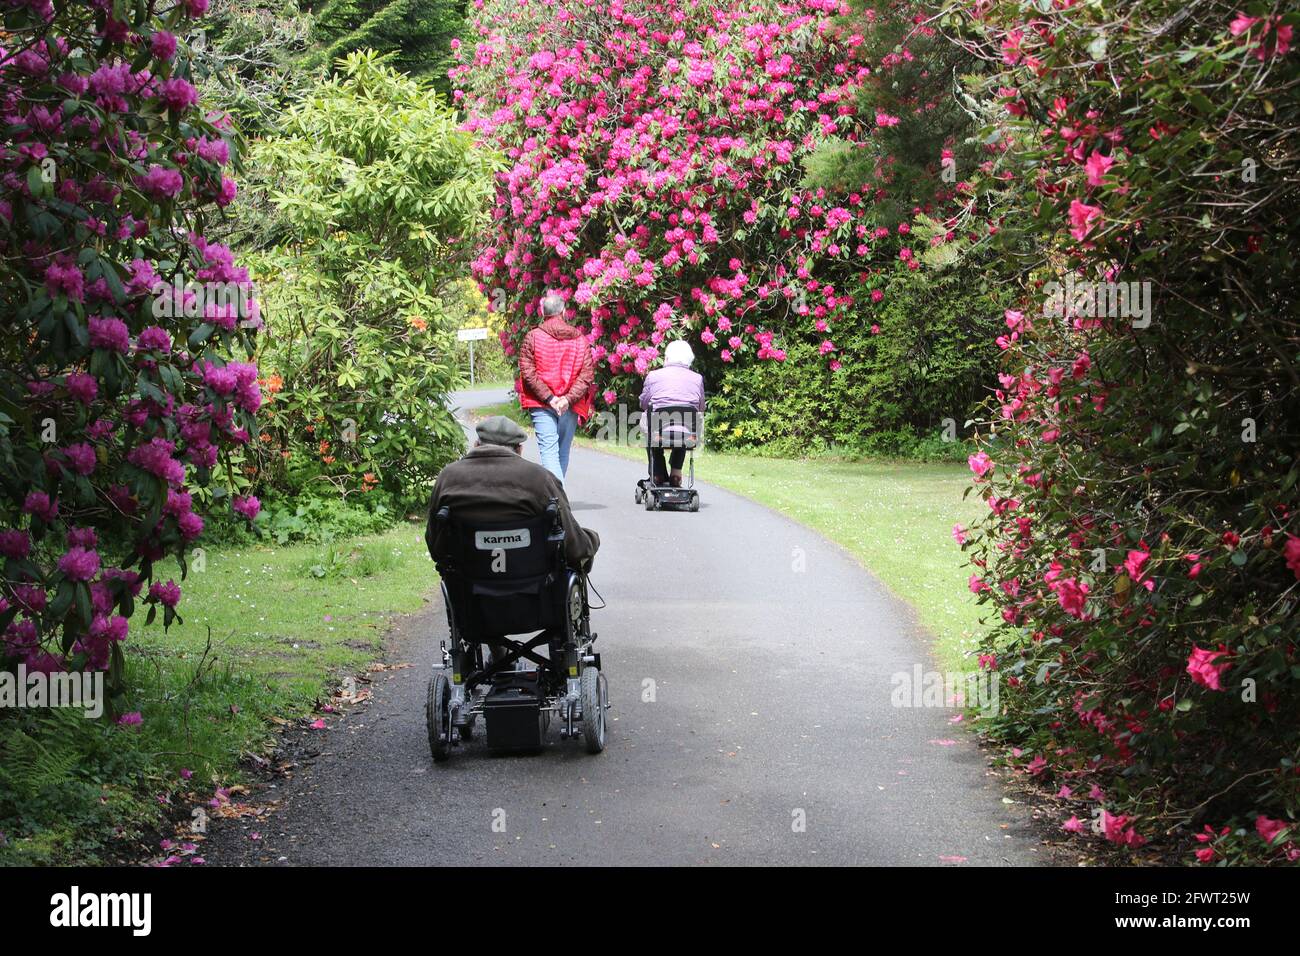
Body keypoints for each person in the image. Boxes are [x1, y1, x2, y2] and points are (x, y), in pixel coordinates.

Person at [425, 415, 600, 572]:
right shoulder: (541, 479)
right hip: (534, 591)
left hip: (468, 589)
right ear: (519, 450)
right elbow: (574, 546)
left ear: (476, 445)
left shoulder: (448, 477)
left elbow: (435, 544)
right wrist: (592, 539)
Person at [517, 292, 594, 485]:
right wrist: (566, 399)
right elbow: (586, 375)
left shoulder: (532, 337)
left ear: (544, 313)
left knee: (549, 453)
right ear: (563, 312)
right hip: (570, 404)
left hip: (542, 403)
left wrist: (550, 398)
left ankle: (556, 500)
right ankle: (558, 499)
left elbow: (528, 372)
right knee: (562, 452)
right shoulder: (580, 340)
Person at [639, 340, 705, 487]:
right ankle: (676, 471)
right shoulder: (697, 378)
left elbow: (643, 403)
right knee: (684, 426)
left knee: (649, 423)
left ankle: (657, 473)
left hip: (659, 431)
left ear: (667, 358)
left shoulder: (653, 376)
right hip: (688, 433)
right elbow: (701, 407)